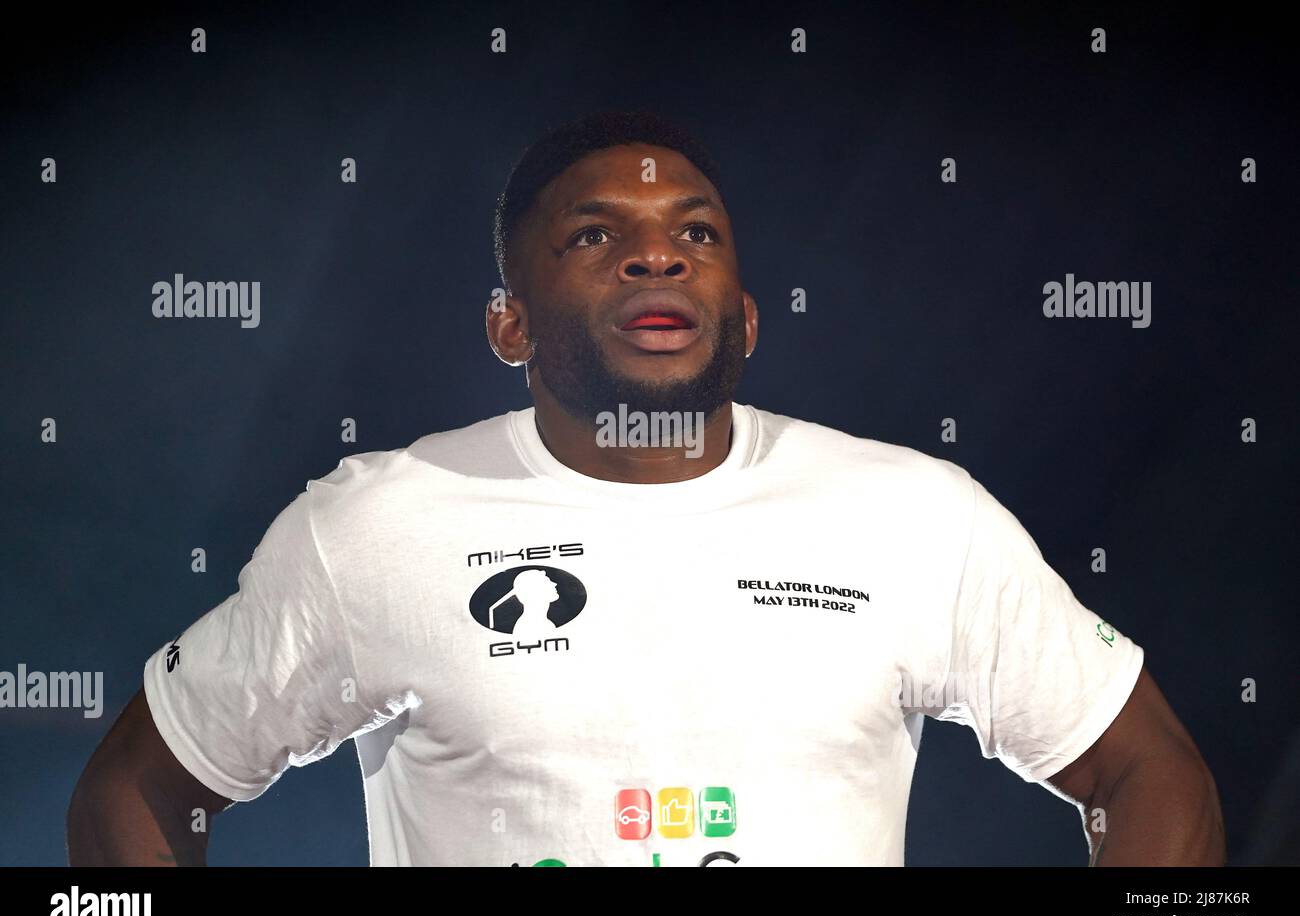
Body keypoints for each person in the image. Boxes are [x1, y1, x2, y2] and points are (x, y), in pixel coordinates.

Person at [67, 110, 1224, 866]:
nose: (656, 254)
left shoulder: (914, 516)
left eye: (695, 234)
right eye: (593, 236)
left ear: (748, 315)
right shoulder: (373, 524)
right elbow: (141, 785)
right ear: (507, 322)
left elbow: (1145, 768)